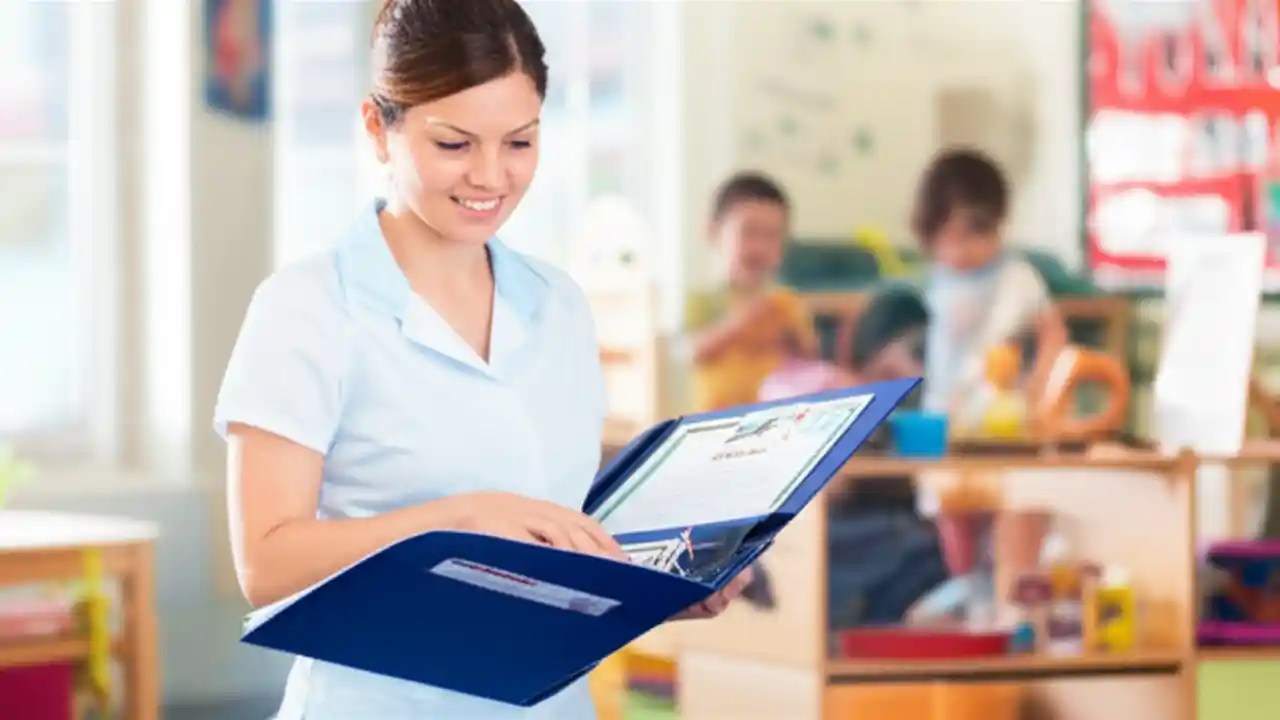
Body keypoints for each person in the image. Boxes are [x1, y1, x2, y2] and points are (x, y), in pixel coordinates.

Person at [213, 2, 749, 718]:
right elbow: (266, 564)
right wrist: (456, 521)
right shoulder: (307, 306)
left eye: (519, 143)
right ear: (379, 128)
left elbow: (556, 532)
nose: (491, 177)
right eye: (455, 144)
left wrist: (662, 585)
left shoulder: (558, 305)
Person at [912, 148, 1067, 425]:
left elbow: (1052, 332)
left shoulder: (1017, 277)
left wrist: (1039, 382)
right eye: (947, 240)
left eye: (968, 237)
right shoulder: (935, 280)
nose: (958, 253)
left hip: (999, 413)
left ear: (996, 225)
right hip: (941, 412)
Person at [684, 171, 818, 412]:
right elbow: (694, 352)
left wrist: (794, 337)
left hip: (775, 416)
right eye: (748, 232)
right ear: (713, 232)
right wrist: (738, 322)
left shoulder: (785, 302)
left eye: (772, 236)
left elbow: (808, 359)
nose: (759, 247)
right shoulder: (706, 298)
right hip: (715, 418)